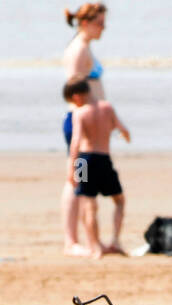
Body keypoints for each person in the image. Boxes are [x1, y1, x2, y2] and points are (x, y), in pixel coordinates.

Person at [61, 3, 113, 256]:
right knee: (76, 177)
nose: (103, 28)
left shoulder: (85, 48)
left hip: (91, 121)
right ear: (85, 23)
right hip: (81, 122)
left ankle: (88, 238)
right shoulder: (78, 50)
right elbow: (73, 91)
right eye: (100, 23)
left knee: (85, 180)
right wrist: (87, 119)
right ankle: (71, 241)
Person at [64, 75, 130, 258]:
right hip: (103, 158)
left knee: (88, 204)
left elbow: (75, 142)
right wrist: (125, 137)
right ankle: (115, 240)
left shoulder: (80, 113)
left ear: (77, 96)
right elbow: (124, 130)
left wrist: (72, 169)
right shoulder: (107, 108)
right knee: (119, 201)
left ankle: (95, 247)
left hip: (83, 160)